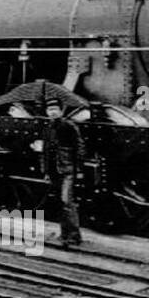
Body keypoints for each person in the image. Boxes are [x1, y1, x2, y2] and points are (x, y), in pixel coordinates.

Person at [43, 98, 83, 248]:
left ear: (60, 111)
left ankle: (74, 236)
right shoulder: (48, 128)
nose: (52, 112)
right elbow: (45, 151)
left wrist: (78, 169)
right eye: (49, 110)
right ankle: (64, 234)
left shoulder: (69, 126)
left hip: (67, 170)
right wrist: (46, 171)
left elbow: (79, 148)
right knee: (60, 202)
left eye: (55, 109)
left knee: (67, 201)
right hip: (54, 171)